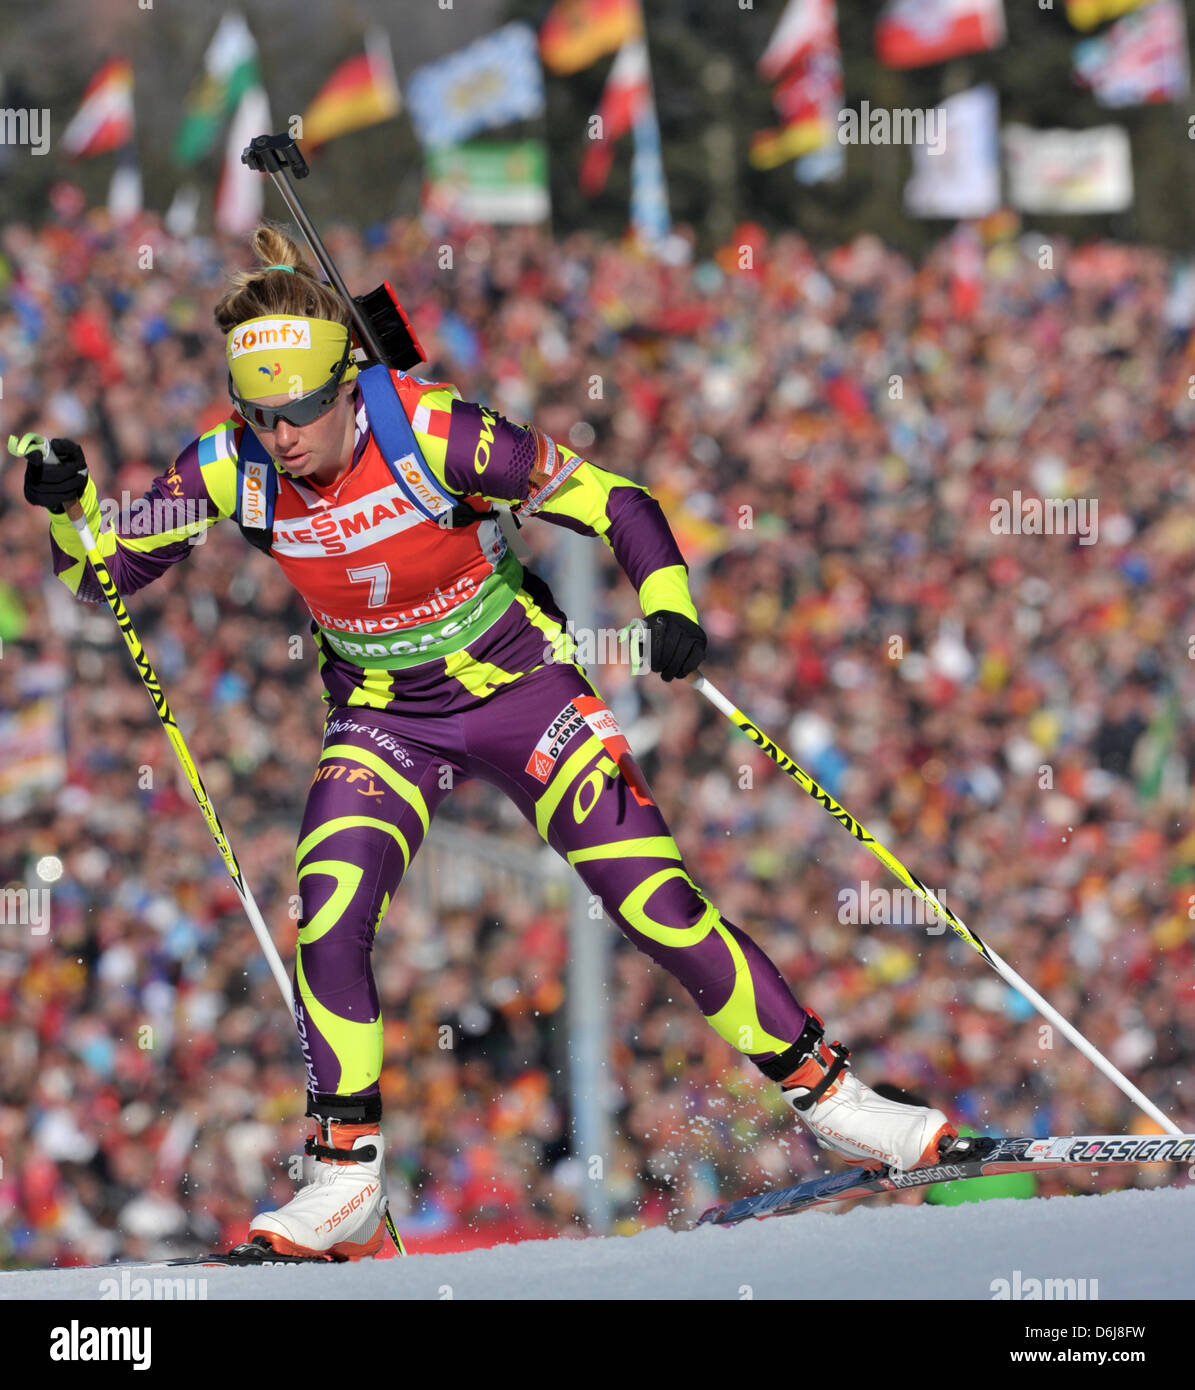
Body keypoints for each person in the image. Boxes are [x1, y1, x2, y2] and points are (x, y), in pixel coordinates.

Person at [23, 223, 955, 1259]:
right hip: (386, 712)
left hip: (518, 687)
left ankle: (837, 1100)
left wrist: (668, 604)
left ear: (345, 387)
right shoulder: (230, 467)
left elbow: (618, 503)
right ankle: (342, 1178)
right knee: (327, 904)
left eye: (296, 412)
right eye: (258, 413)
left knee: (651, 900)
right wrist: (70, 509)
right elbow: (97, 576)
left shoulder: (439, 434)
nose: (280, 437)